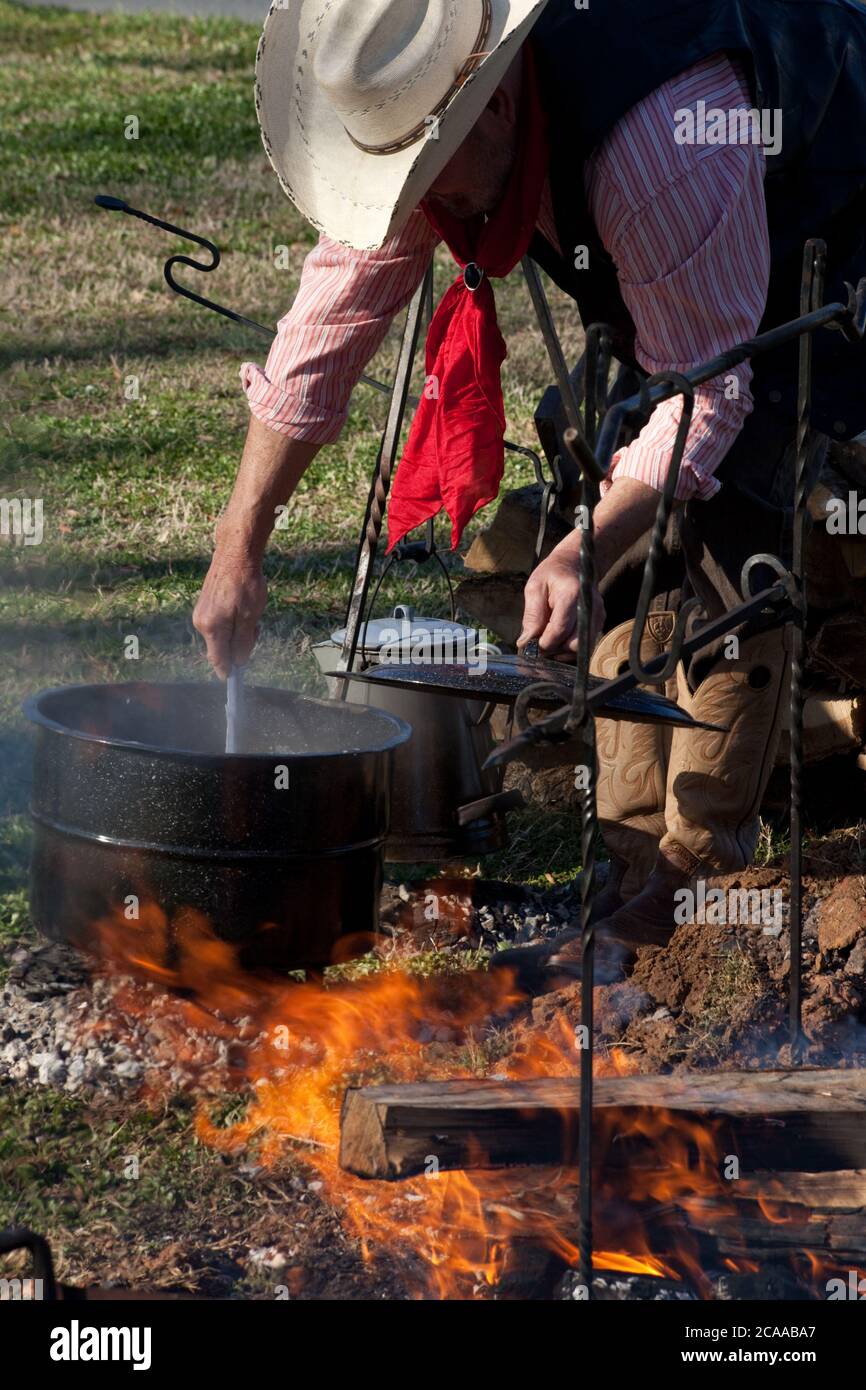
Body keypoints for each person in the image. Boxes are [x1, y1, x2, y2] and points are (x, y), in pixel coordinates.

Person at [193, 0, 866, 978]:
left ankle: (691, 876)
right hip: (692, 257)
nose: (418, 208)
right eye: (399, 180)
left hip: (832, 222)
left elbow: (710, 394)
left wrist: (582, 546)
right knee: (611, 502)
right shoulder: (424, 116)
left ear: (499, 104)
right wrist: (239, 538)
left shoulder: (661, 140)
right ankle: (632, 856)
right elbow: (321, 343)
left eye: (429, 177)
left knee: (727, 520)